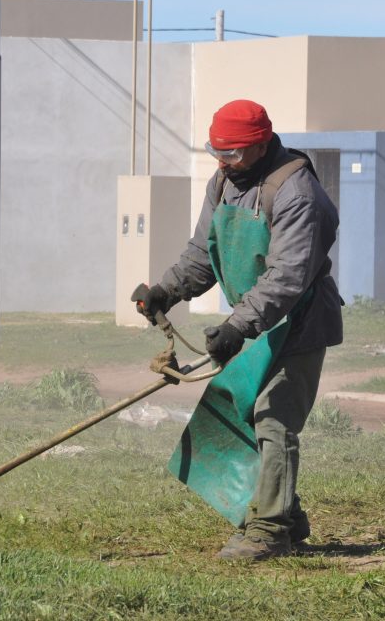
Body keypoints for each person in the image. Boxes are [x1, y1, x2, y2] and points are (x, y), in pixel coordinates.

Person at [132, 99, 342, 561]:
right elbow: (203, 251)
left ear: (262, 144)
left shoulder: (296, 192)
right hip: (255, 323)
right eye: (216, 152)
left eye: (232, 154)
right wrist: (168, 290)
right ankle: (287, 513)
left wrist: (236, 326)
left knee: (273, 418)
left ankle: (270, 531)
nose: (222, 162)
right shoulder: (224, 182)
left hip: (299, 322)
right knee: (239, 414)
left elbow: (288, 276)